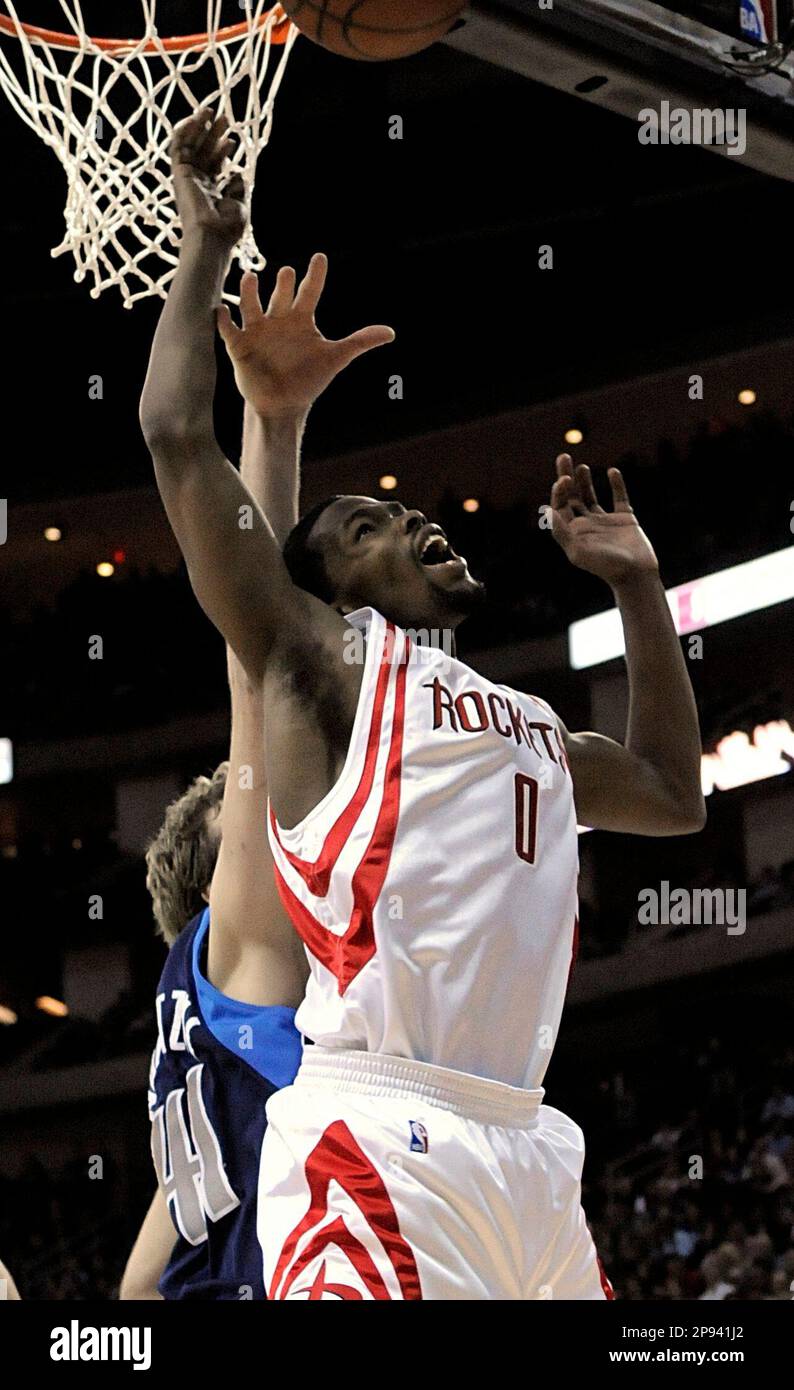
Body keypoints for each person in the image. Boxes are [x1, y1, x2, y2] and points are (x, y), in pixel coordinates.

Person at [140, 109, 705, 1300]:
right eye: (366, 525)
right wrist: (207, 244)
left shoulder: (532, 729)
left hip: (530, 1148)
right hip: (375, 1135)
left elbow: (669, 795)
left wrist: (642, 588)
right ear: (324, 588)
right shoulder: (323, 667)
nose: (406, 519)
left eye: (401, 510)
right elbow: (172, 435)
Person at [122, 251, 392, 1299]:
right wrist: (272, 426)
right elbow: (258, 673)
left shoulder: (196, 1060)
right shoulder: (238, 954)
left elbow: (138, 1300)